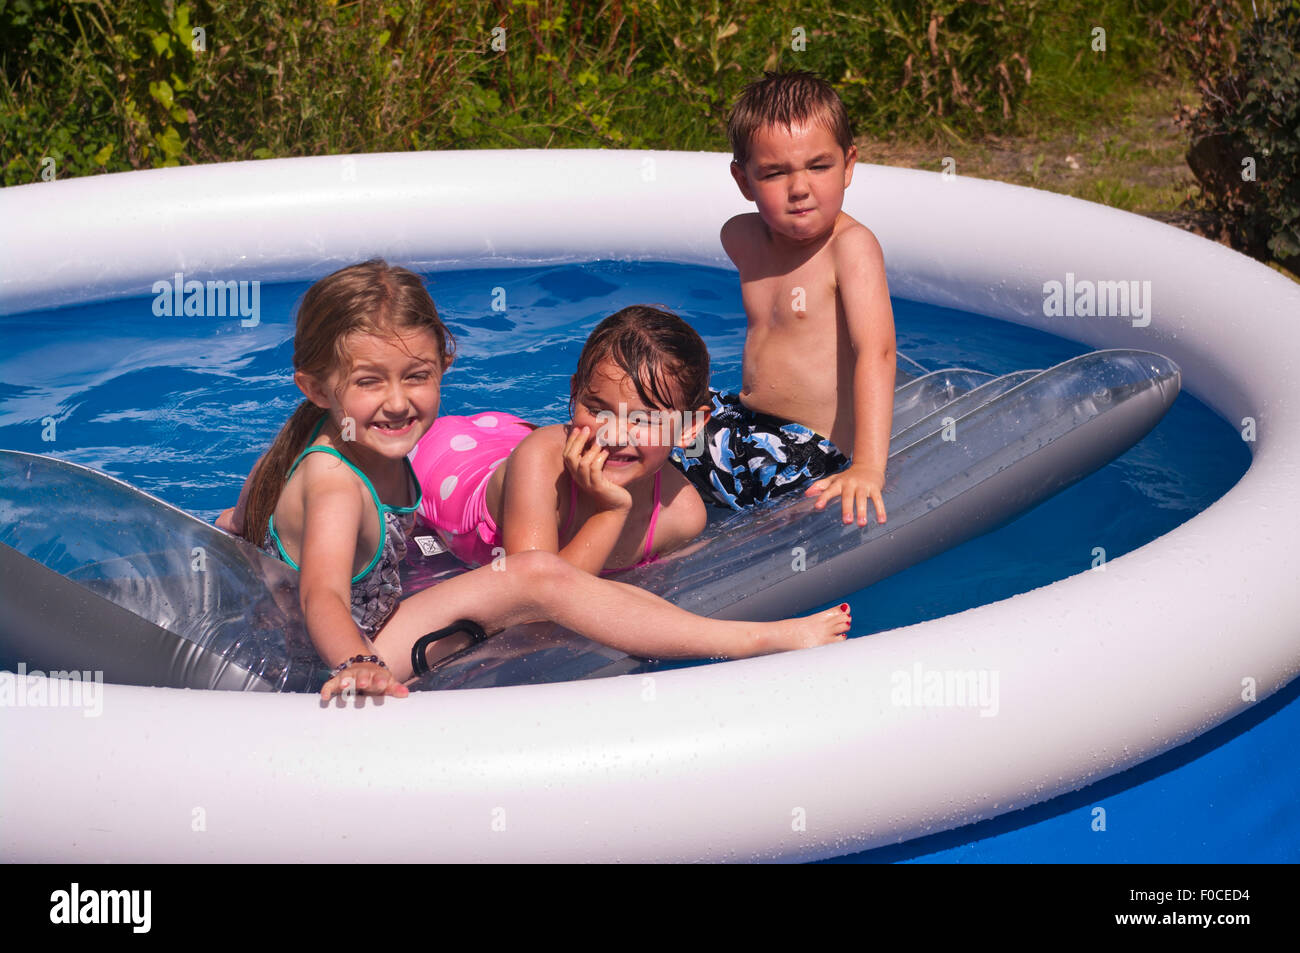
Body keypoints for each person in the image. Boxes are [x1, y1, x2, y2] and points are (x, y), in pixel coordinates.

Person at [218, 262, 850, 700]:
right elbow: (323, 598)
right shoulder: (334, 483)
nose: (398, 403)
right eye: (370, 382)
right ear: (316, 388)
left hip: (363, 634)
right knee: (534, 575)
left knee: (529, 577)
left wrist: (234, 534)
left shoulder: (355, 445)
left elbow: (260, 512)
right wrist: (358, 666)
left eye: (416, 377)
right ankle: (752, 641)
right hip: (332, 666)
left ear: (443, 364)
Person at [672, 69, 896, 527]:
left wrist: (869, 467)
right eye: (775, 173)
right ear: (744, 181)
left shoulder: (850, 249)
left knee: (660, 461)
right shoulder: (742, 238)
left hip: (801, 449)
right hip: (742, 419)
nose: (799, 189)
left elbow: (877, 352)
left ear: (849, 165)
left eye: (819, 166)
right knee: (640, 417)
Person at [413, 305, 713, 576]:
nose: (614, 435)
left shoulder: (682, 516)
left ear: (689, 427)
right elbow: (533, 601)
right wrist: (609, 512)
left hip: (516, 438)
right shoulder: (539, 463)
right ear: (575, 394)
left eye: (645, 420)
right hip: (445, 460)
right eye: (596, 410)